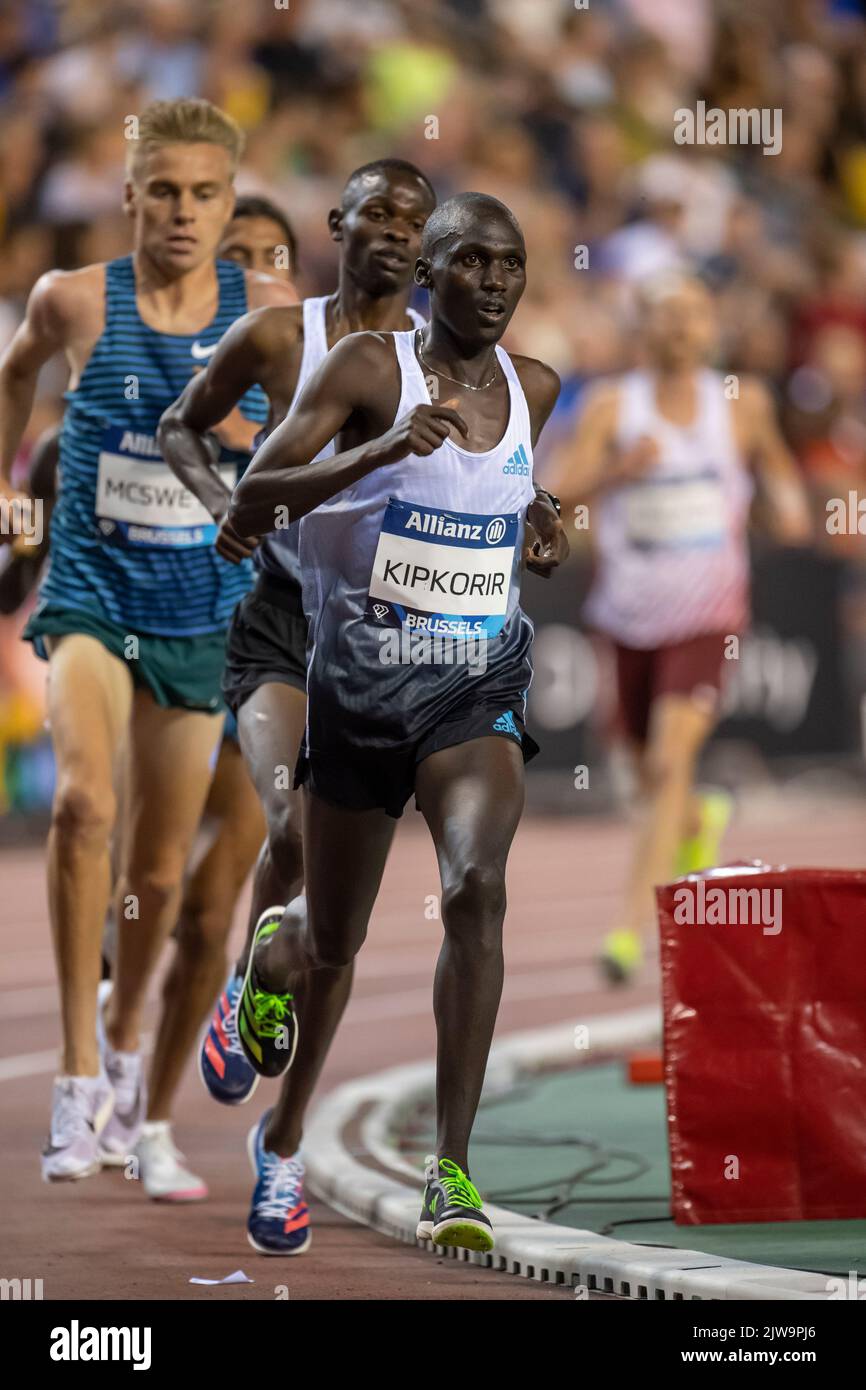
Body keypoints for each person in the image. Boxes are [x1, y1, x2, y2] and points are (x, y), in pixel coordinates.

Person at [226, 191, 567, 1254]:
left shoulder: (537, 387)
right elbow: (253, 500)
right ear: (431, 269)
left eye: (512, 264)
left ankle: (451, 1172)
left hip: (473, 684)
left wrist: (537, 522)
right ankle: (270, 953)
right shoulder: (370, 370)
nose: (498, 282)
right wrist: (369, 458)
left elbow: (490, 497)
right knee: (334, 940)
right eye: (474, 263)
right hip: (362, 688)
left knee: (477, 887)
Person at [0, 97, 296, 1183]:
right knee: (84, 804)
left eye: (204, 193)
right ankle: (77, 1074)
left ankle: (127, 1059)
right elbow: (14, 374)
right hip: (88, 590)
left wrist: (246, 438)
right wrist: (7, 489)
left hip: (197, 612)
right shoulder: (73, 300)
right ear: (128, 195)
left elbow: (307, 435)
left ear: (229, 204)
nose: (180, 210)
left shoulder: (268, 312)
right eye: (161, 190)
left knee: (162, 879)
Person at [158, 159, 436, 1249]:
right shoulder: (281, 338)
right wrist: (228, 503)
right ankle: (247, 982)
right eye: (374, 214)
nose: (393, 234)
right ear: (339, 227)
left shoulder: (447, 361)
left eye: (414, 222)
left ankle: (282, 1145)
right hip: (281, 623)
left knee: (330, 932)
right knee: (285, 823)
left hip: (388, 650)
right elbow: (186, 428)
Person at [551, 274, 811, 985]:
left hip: (709, 614)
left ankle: (631, 930)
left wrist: (789, 509)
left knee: (668, 759)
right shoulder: (614, 404)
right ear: (646, 328)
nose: (682, 329)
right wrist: (615, 472)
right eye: (668, 317)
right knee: (644, 774)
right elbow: (552, 492)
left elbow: (780, 473)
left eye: (695, 315)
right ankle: (701, 819)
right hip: (628, 613)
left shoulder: (743, 401)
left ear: (709, 327)